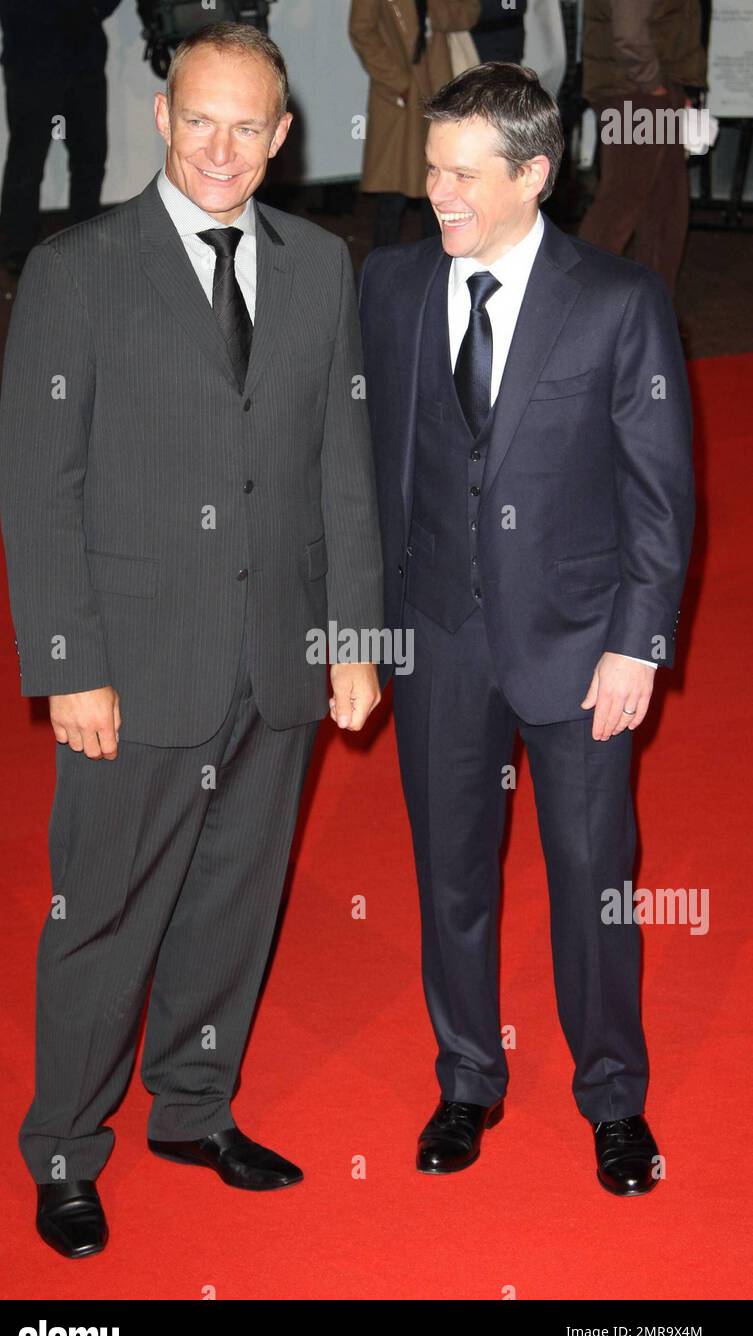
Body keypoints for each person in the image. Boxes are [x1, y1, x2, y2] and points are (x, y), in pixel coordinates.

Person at [0, 21, 383, 1259]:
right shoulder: (78, 268)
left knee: (232, 902)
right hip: (136, 660)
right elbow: (38, 486)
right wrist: (70, 664)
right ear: (162, 117)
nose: (221, 148)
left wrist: (352, 635)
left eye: (246, 126)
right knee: (103, 915)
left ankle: (194, 1109)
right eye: (199, 119)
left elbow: (341, 465)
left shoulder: (320, 265)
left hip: (276, 651)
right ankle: (66, 1146)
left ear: (282, 135)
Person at [359, 61, 694, 1192]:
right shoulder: (393, 286)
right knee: (449, 875)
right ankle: (466, 1077)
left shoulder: (616, 301)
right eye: (432, 168)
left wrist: (636, 643)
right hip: (437, 637)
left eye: (463, 174)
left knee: (591, 878)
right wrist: (363, 630)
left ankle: (612, 1096)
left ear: (533, 175)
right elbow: (366, 470)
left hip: (579, 645)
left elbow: (660, 496)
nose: (437, 192)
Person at [578, 0, 707, 294]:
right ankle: (578, 302)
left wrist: (674, 88)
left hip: (646, 91)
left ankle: (650, 306)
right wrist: (654, 85)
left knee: (664, 204)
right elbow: (629, 31)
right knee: (623, 204)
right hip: (638, 94)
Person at [0, 0, 123, 278]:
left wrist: (93, 11)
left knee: (90, 158)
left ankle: (84, 241)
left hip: (83, 58)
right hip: (30, 59)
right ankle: (19, 247)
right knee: (27, 161)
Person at [349, 0, 481, 246]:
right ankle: (384, 264)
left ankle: (439, 260)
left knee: (439, 188)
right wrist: (400, 83)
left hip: (439, 88)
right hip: (398, 97)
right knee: (392, 195)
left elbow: (469, 13)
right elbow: (361, 30)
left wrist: (434, 9)